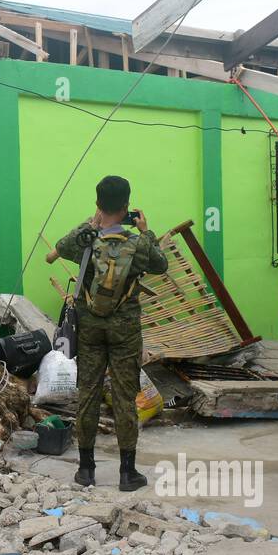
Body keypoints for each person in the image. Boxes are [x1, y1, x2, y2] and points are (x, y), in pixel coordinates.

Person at [54, 175, 168, 491]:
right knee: (124, 397)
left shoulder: (88, 240)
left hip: (90, 328)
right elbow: (161, 265)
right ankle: (127, 473)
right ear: (128, 206)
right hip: (125, 330)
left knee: (88, 392)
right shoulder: (138, 244)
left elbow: (62, 248)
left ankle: (86, 469)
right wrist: (146, 231)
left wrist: (91, 222)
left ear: (98, 204)